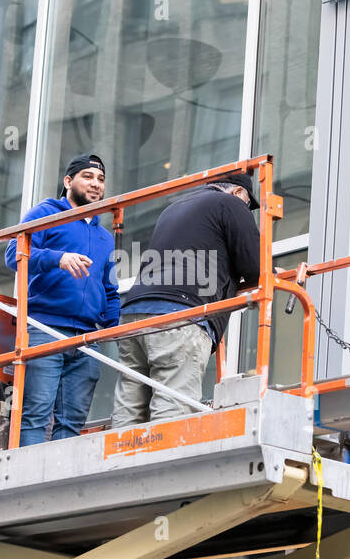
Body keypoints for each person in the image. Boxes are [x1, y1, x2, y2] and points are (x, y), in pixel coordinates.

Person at [111, 172, 260, 426]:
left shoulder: (173, 209)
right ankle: (162, 466)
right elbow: (255, 266)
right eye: (247, 203)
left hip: (135, 315)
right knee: (172, 411)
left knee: (129, 410)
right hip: (180, 317)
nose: (246, 209)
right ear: (236, 192)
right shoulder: (231, 204)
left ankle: (118, 463)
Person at [5, 154, 119, 446]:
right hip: (45, 329)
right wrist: (59, 259)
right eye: (88, 177)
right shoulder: (45, 213)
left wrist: (115, 329)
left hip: (87, 338)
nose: (95, 184)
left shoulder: (105, 237)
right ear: (68, 181)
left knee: (72, 423)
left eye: (101, 179)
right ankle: (27, 482)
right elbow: (12, 255)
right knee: (35, 416)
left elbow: (109, 289)